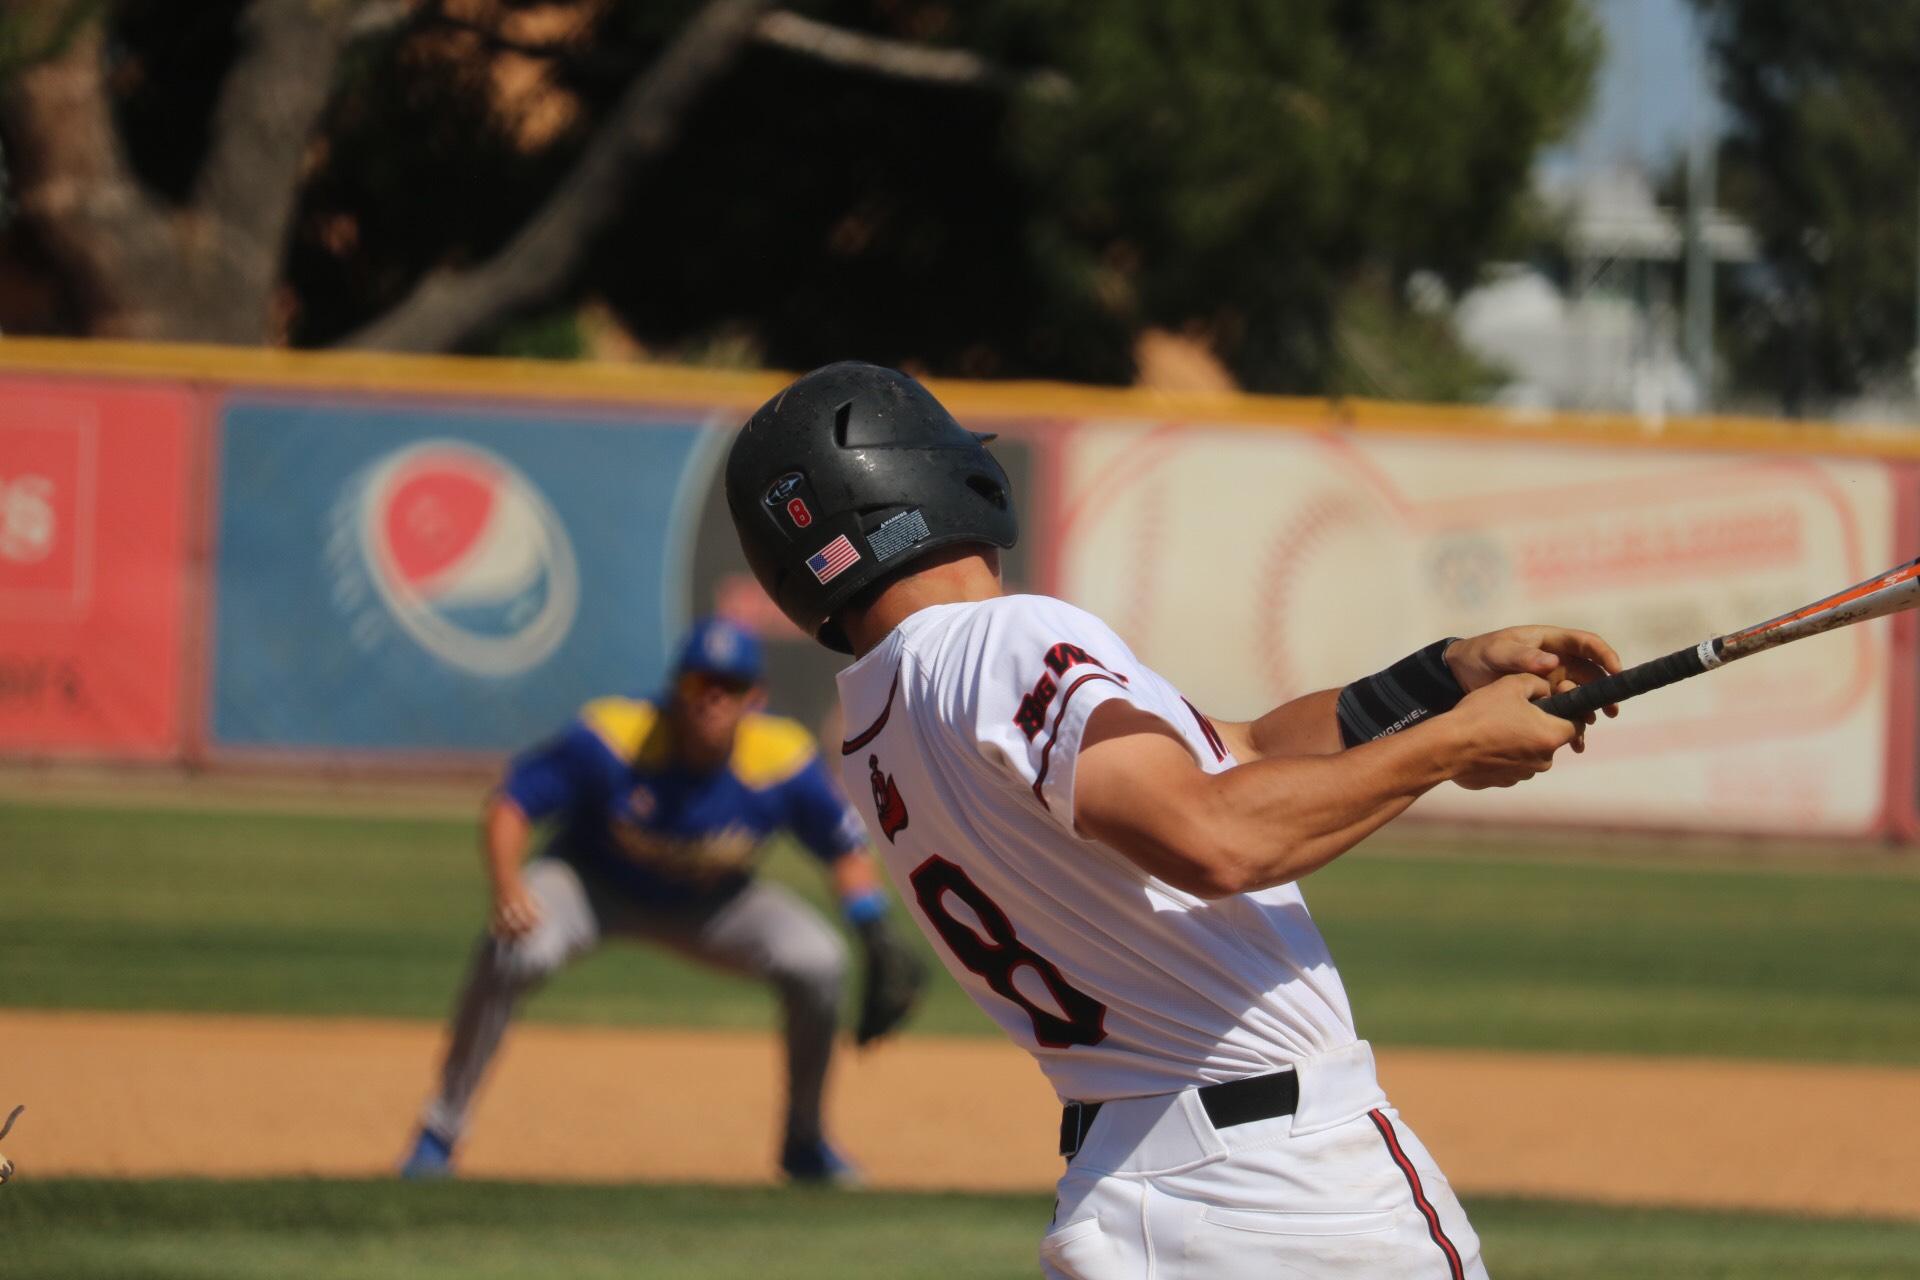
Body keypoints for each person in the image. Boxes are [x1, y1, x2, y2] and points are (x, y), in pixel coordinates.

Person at [725, 363, 1622, 1277]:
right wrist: (1450, 748)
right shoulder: (1000, 638)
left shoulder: (879, 730)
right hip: (1292, 1197)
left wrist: (1438, 681)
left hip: (1133, 1194)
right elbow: (1216, 836)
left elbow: (1240, 754)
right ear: (932, 478)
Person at [400, 617, 927, 1184]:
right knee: (517, 948)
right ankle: (440, 1131)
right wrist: (507, 886)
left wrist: (871, 924)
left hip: (714, 904)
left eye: (729, 685)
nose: (712, 698)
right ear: (676, 685)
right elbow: (512, 802)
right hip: (592, 886)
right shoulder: (613, 736)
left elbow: (842, 845)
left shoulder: (781, 758)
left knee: (820, 960)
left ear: (757, 697)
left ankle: (804, 1143)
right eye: (700, 682)